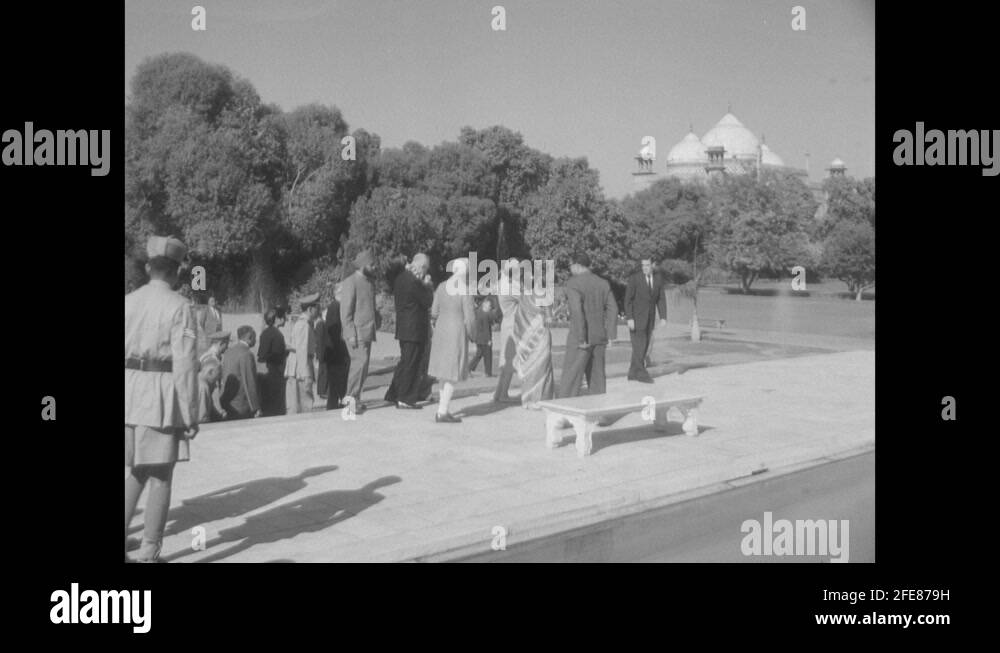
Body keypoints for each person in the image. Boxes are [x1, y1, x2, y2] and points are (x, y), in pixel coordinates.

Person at [125, 235, 199, 563]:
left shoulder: (128, 301)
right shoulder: (180, 307)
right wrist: (191, 411)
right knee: (160, 476)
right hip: (160, 394)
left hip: (129, 392)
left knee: (138, 470)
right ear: (177, 272)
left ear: (147, 267)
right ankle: (147, 551)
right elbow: (185, 363)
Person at [558, 253, 618, 398]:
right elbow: (613, 308)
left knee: (570, 380)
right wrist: (611, 335)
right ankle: (599, 416)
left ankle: (565, 415)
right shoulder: (603, 283)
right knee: (597, 380)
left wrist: (581, 338)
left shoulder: (573, 283)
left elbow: (577, 312)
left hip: (580, 339)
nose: (570, 269)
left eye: (570, 266)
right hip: (599, 337)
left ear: (577, 266)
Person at [427, 258, 476, 423]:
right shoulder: (465, 289)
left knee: (443, 373)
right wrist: (473, 335)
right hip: (456, 331)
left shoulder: (441, 286)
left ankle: (443, 408)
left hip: (441, 329)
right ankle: (442, 411)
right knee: (452, 373)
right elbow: (470, 317)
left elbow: (434, 311)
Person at [385, 253, 433, 409]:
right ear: (421, 267)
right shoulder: (414, 281)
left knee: (404, 362)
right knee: (411, 364)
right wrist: (427, 285)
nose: (425, 272)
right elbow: (427, 301)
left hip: (404, 327)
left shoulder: (400, 278)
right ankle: (405, 398)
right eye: (425, 268)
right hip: (414, 328)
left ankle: (393, 393)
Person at [341, 249, 378, 414]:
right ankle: (350, 400)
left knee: (364, 367)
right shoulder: (351, 282)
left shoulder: (370, 282)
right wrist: (350, 334)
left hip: (368, 332)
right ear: (363, 265)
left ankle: (356, 399)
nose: (375, 267)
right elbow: (346, 311)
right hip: (356, 333)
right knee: (358, 365)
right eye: (372, 264)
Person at [512, 277, 555, 409]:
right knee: (536, 368)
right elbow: (548, 318)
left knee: (535, 367)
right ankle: (535, 399)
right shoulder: (532, 294)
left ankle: (533, 399)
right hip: (533, 337)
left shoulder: (530, 295)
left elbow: (518, 322)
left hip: (532, 337)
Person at [624, 258, 668, 383]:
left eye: (647, 265)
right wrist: (630, 318)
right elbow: (628, 300)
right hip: (636, 319)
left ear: (653, 265)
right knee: (639, 345)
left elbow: (661, 299)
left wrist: (663, 317)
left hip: (650, 318)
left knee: (644, 345)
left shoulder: (658, 279)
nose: (645, 268)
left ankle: (633, 372)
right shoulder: (634, 279)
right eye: (643, 265)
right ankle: (642, 373)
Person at [492, 258, 522, 403]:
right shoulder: (511, 286)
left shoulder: (502, 282)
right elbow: (527, 299)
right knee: (510, 360)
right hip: (513, 323)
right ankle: (503, 393)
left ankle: (498, 393)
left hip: (506, 322)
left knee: (505, 360)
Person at [285, 293, 321, 413]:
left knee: (301, 404)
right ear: (310, 309)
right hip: (300, 369)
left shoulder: (306, 324)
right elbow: (302, 350)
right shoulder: (304, 325)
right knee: (303, 404)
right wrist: (306, 374)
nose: (319, 311)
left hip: (299, 367)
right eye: (317, 308)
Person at [220, 326, 262, 421]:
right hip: (242, 405)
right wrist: (255, 407)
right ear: (249, 337)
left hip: (228, 403)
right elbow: (249, 382)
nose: (255, 340)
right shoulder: (247, 354)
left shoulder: (228, 352)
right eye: (254, 337)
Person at [257, 307, 288, 416]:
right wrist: (285, 351)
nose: (286, 319)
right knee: (276, 406)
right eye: (283, 317)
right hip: (275, 372)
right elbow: (273, 355)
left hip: (268, 372)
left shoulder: (266, 333)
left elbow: (261, 355)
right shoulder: (277, 334)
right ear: (277, 319)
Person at [324, 283, 350, 409]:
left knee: (336, 382)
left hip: (335, 351)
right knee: (337, 380)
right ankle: (336, 405)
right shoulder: (335, 306)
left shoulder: (336, 306)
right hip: (335, 351)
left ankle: (335, 405)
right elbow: (334, 330)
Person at [468, 298, 499, 376]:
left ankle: (469, 368)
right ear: (484, 305)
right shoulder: (485, 314)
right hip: (485, 339)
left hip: (479, 339)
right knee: (488, 356)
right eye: (489, 305)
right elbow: (486, 329)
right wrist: (489, 340)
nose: (490, 307)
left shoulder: (478, 312)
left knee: (478, 355)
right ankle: (488, 373)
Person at [197, 359, 226, 423]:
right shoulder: (203, 387)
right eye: (218, 375)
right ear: (210, 372)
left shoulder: (196, 381)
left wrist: (218, 413)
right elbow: (202, 417)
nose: (218, 379)